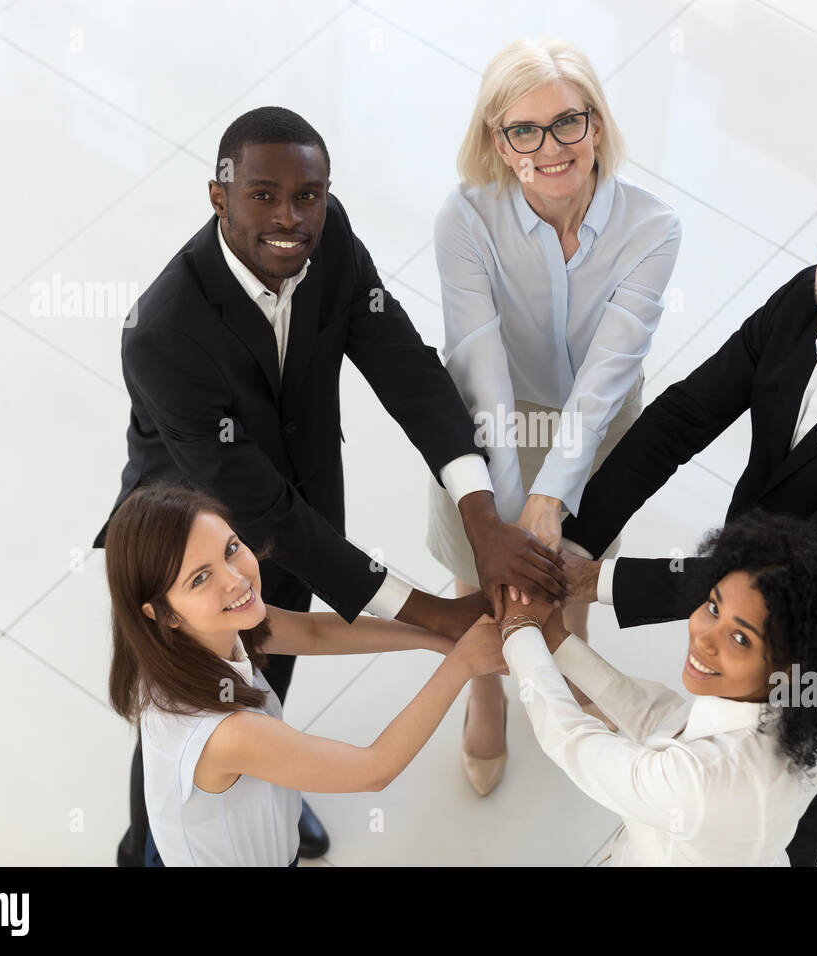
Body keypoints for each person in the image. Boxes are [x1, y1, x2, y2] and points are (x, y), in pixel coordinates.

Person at [92, 106, 566, 865]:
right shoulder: (161, 332)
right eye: (263, 195)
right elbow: (260, 507)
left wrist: (480, 516)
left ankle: (272, 773)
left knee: (266, 670)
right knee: (190, 698)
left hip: (298, 495)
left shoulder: (329, 233)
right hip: (189, 542)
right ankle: (146, 843)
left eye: (308, 194)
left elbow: (405, 366)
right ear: (219, 196)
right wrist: (436, 616)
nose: (291, 217)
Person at [557, 163, 817, 864]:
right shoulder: (807, 303)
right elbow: (684, 418)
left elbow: (782, 575)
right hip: (746, 576)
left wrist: (592, 582)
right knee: (715, 726)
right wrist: (573, 544)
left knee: (789, 786)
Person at [426, 38, 681, 795]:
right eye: (524, 131)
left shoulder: (653, 228)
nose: (550, 148)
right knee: (477, 565)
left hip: (596, 424)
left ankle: (572, 668)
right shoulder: (465, 219)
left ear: (596, 125)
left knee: (573, 567)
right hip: (489, 415)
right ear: (497, 143)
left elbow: (605, 380)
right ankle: (485, 686)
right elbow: (481, 368)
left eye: (568, 123)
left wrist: (548, 500)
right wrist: (506, 518)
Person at [463, 511, 817, 865]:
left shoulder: (704, 781)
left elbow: (573, 743)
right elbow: (662, 719)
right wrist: (558, 641)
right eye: (712, 607)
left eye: (741, 638)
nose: (704, 637)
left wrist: (519, 632)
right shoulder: (794, 716)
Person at [106, 484, 507, 866]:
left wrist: (437, 636)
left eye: (230, 549)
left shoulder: (191, 638)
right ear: (163, 613)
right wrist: (462, 665)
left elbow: (316, 632)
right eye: (200, 578)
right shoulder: (226, 733)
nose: (235, 579)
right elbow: (374, 769)